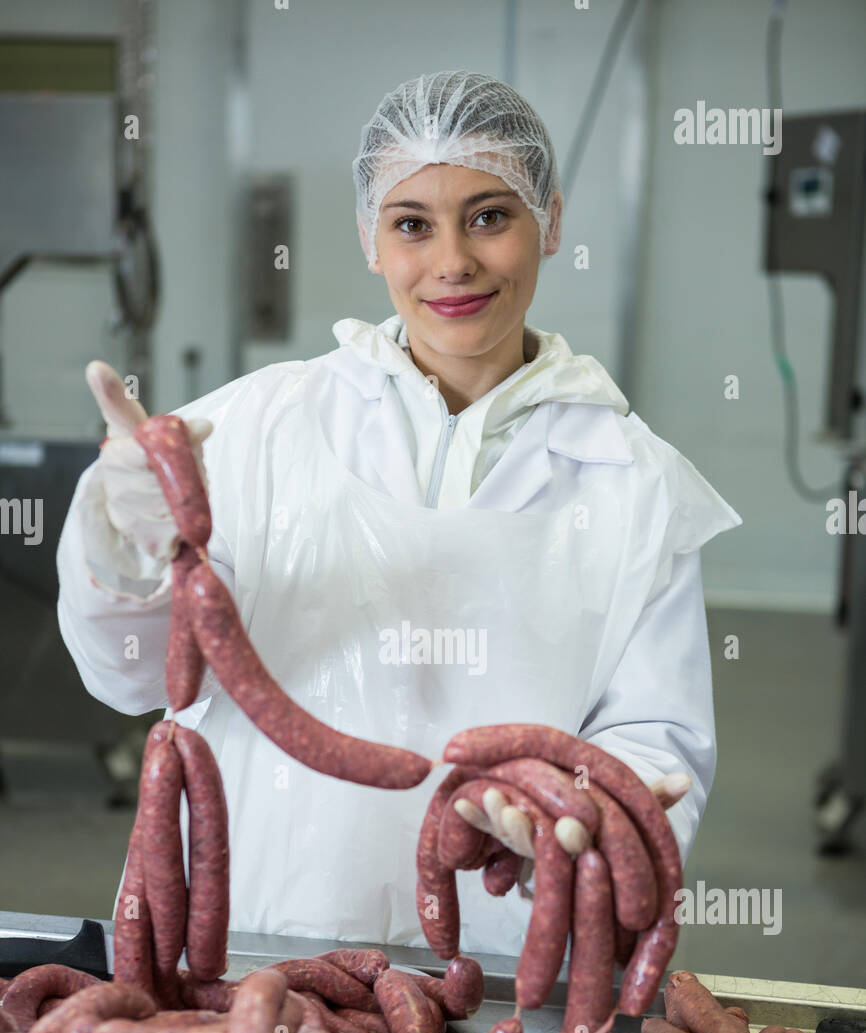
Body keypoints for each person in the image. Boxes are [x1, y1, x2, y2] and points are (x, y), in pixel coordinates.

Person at [56, 69, 741, 955]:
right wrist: (123, 545)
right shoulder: (257, 425)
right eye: (412, 224)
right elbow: (133, 676)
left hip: (498, 965)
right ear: (371, 240)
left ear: (553, 223)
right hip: (247, 944)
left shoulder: (633, 483)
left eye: (491, 216)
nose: (452, 260)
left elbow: (657, 742)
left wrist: (581, 826)